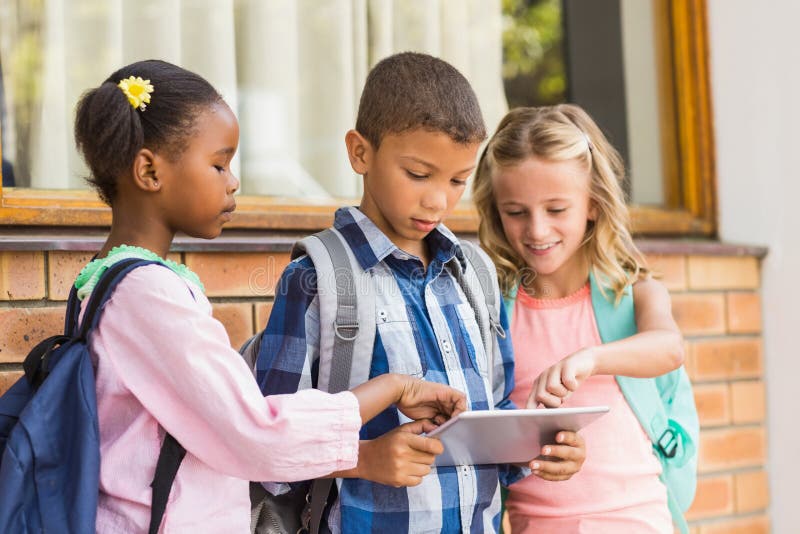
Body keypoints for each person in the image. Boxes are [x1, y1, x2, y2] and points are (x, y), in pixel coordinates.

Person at [73, 59, 467, 533]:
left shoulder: (103, 282)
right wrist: (394, 390)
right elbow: (258, 430)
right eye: (218, 164)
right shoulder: (147, 294)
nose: (233, 180)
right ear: (149, 171)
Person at [254, 52, 586, 534]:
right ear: (360, 152)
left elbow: (494, 413)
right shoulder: (318, 278)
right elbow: (267, 442)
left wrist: (541, 446)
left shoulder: (474, 274)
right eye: (417, 174)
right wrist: (363, 458)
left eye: (457, 181)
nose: (438, 200)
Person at [472, 104, 686, 533]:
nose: (536, 229)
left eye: (556, 209)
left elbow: (668, 347)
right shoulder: (493, 311)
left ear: (592, 204)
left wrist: (591, 358)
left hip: (638, 522)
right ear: (496, 211)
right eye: (516, 212)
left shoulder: (635, 294)